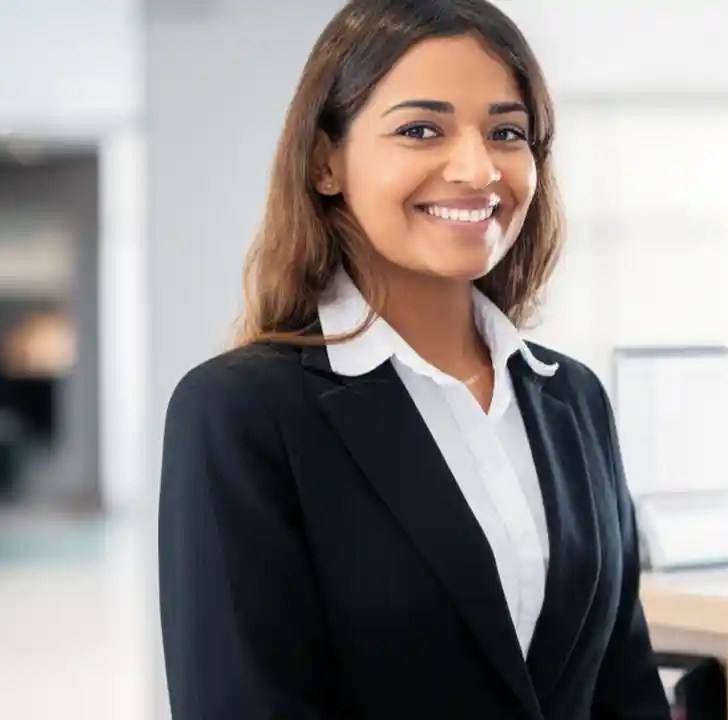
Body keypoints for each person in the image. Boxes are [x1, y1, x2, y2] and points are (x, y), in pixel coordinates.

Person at [157, 1, 671, 718]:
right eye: (421, 129)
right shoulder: (243, 413)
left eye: (506, 132)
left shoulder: (573, 399)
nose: (477, 167)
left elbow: (625, 689)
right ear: (324, 161)